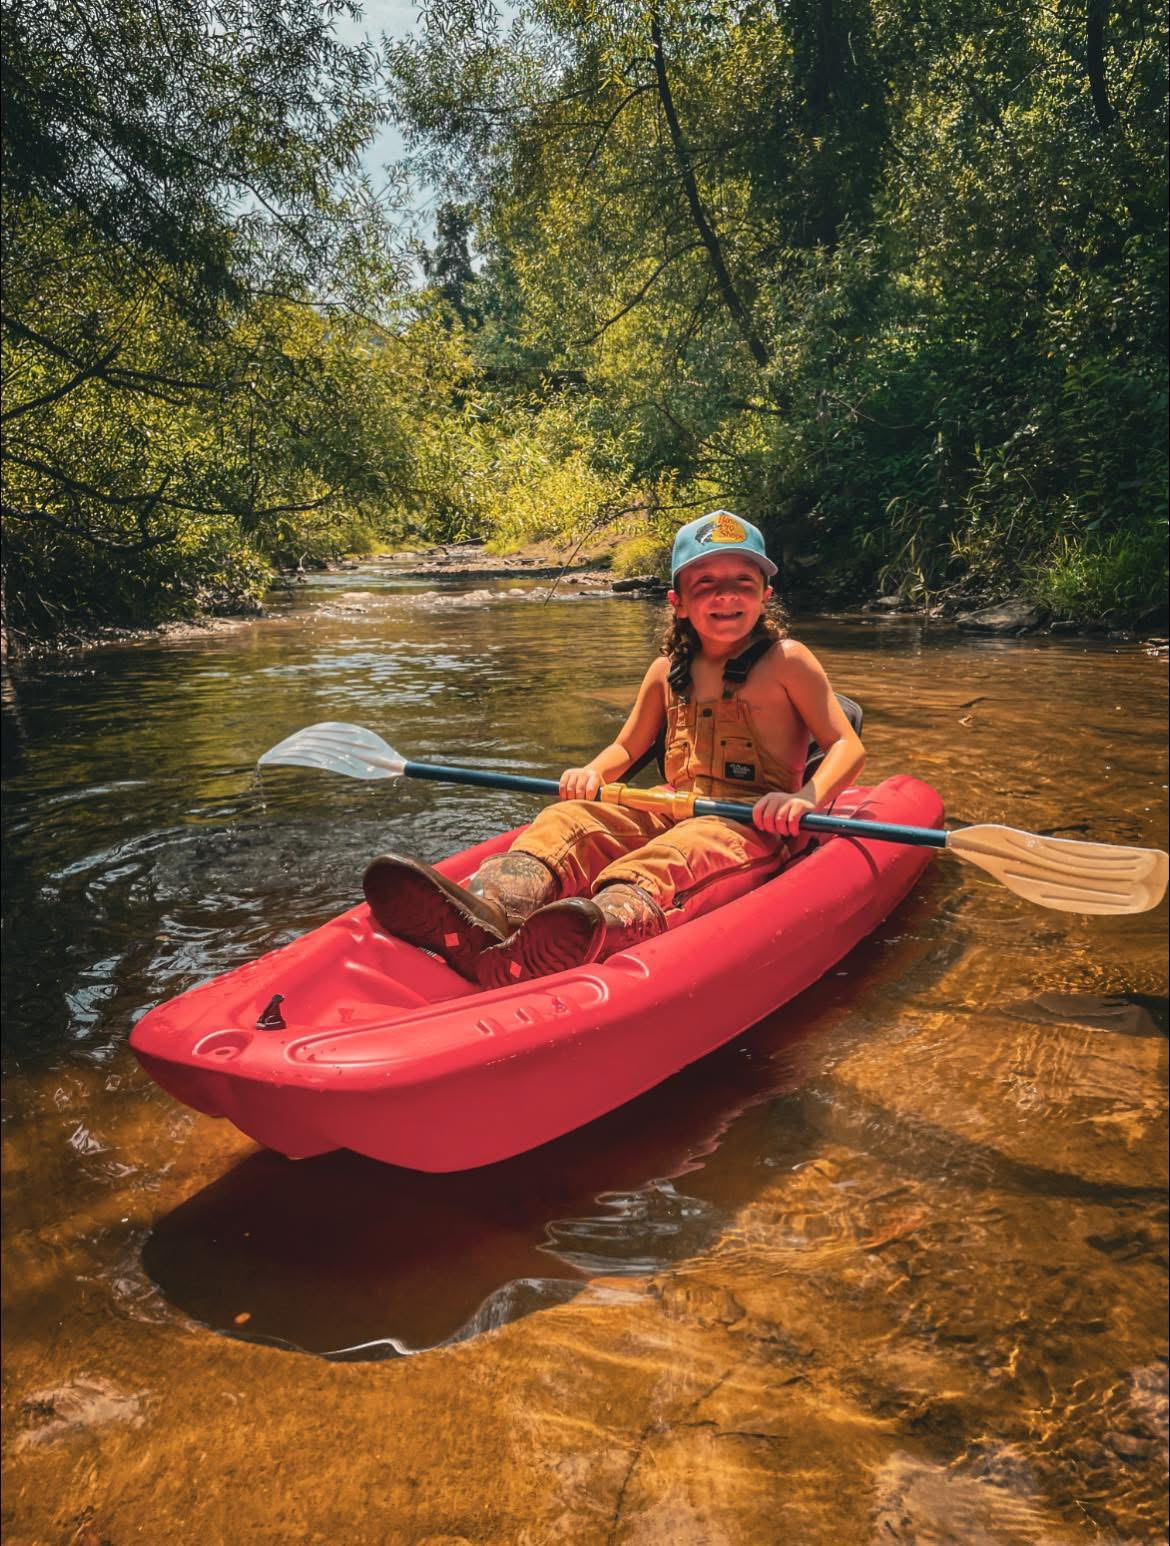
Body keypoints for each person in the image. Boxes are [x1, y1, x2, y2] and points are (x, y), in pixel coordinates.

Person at [363, 510, 865, 988]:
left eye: (742, 582)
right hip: (672, 805)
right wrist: (592, 771)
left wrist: (805, 797)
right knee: (568, 820)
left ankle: (597, 927)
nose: (725, 596)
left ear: (764, 595)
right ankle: (491, 911)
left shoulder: (788, 661)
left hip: (750, 824)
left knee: (680, 854)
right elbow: (626, 747)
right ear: (679, 602)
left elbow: (845, 744)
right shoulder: (666, 671)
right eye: (705, 583)